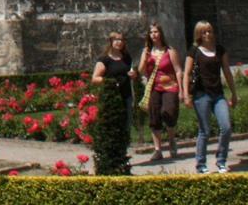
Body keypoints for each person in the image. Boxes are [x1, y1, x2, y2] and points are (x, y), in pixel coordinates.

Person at [181, 19, 237, 174]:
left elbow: (227, 71)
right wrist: (186, 94)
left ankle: (221, 160)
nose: (207, 34)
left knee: (226, 127)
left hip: (218, 94)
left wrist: (233, 93)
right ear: (198, 34)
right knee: (204, 130)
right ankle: (201, 164)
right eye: (203, 32)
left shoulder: (220, 50)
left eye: (209, 31)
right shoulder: (194, 51)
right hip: (201, 94)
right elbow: (186, 73)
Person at [138, 21, 181, 161]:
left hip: (170, 87)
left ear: (161, 33)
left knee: (168, 112)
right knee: (154, 116)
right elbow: (141, 71)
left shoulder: (170, 51)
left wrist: (181, 90)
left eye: (156, 32)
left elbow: (178, 70)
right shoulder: (147, 52)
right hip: (154, 87)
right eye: (151, 32)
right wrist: (145, 58)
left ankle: (171, 139)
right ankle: (158, 149)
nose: (153, 35)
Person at [90, 30, 133, 130]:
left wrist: (133, 75)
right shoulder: (104, 59)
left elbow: (129, 73)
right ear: (111, 41)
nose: (120, 42)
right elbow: (95, 78)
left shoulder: (127, 58)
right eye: (116, 39)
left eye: (122, 40)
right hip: (111, 96)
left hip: (126, 95)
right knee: (113, 125)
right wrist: (110, 81)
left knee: (127, 124)